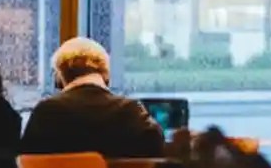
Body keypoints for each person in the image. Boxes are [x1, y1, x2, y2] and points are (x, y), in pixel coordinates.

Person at [21, 37, 164, 159]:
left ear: (60, 78)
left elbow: (25, 164)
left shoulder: (47, 113)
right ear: (106, 75)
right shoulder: (131, 112)